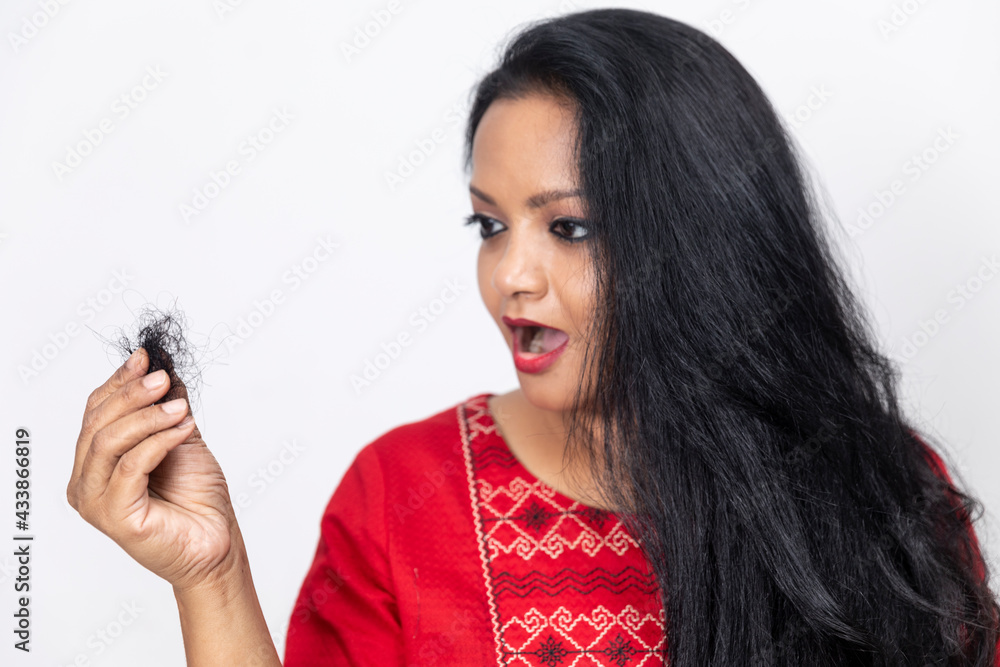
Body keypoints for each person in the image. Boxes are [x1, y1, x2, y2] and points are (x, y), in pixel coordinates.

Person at [66, 8, 999, 666]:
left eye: (570, 226)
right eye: (490, 224)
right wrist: (212, 575)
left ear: (703, 239)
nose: (511, 274)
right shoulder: (401, 494)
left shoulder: (878, 492)